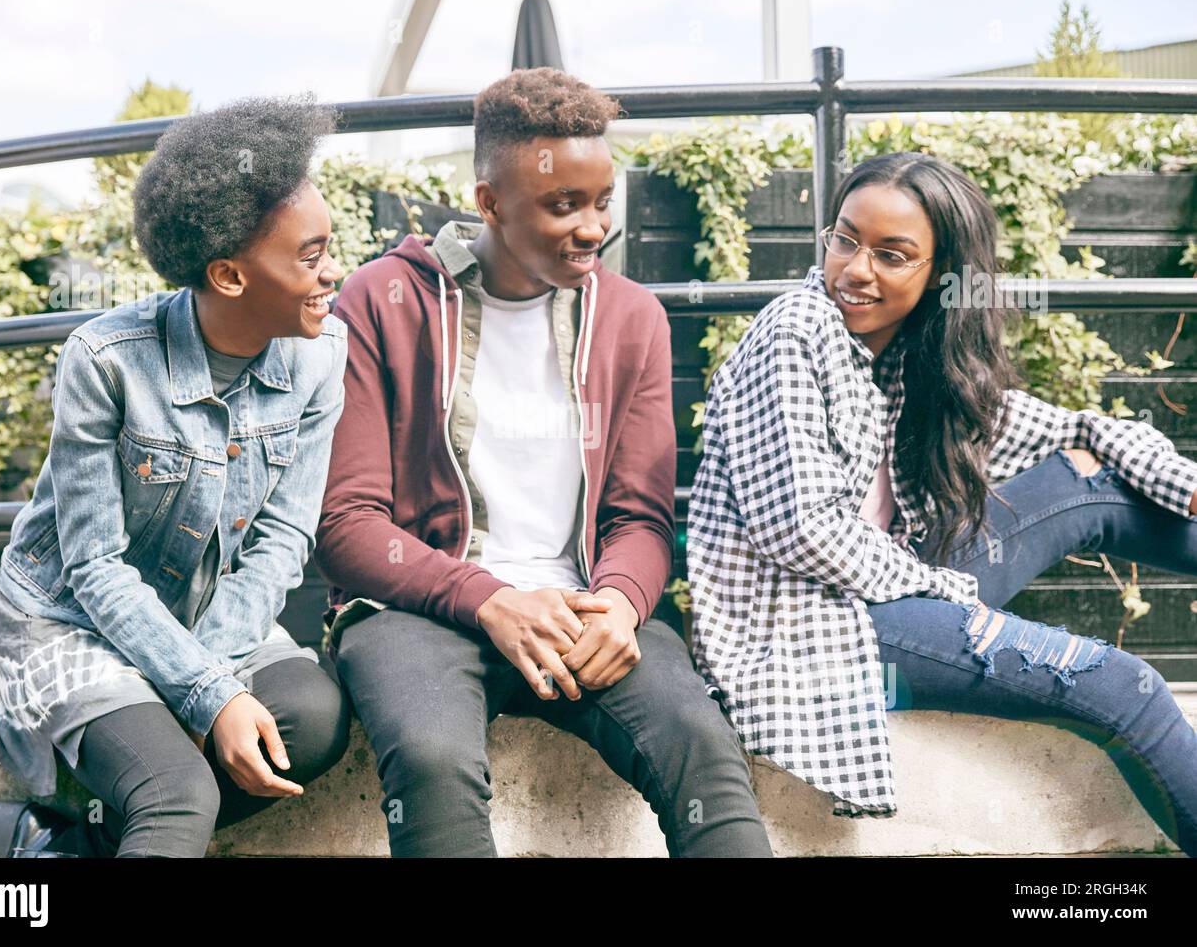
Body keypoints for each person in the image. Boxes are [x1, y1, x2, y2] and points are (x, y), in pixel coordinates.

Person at [313, 67, 773, 857]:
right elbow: (347, 525)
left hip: (581, 606)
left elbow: (640, 517)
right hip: (419, 609)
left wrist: (624, 603)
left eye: (601, 203)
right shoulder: (383, 299)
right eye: (563, 205)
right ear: (488, 202)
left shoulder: (632, 319)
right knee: (431, 760)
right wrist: (487, 597)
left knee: (702, 746)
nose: (592, 227)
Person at [688, 150, 1197, 855]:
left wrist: (1183, 481)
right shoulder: (795, 331)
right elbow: (799, 529)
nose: (855, 269)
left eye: (891, 256)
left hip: (896, 586)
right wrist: (947, 592)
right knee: (1125, 686)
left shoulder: (910, 350)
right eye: (846, 238)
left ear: (941, 278)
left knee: (1085, 472)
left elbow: (1066, 428)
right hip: (812, 625)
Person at [0, 96, 351, 857]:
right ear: (229, 276)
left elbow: (284, 537)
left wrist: (201, 684)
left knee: (309, 721)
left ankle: (64, 848)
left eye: (328, 246)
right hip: (66, 621)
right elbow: (93, 568)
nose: (334, 272)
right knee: (178, 793)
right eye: (309, 256)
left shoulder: (320, 354)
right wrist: (209, 696)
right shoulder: (107, 360)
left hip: (203, 615)